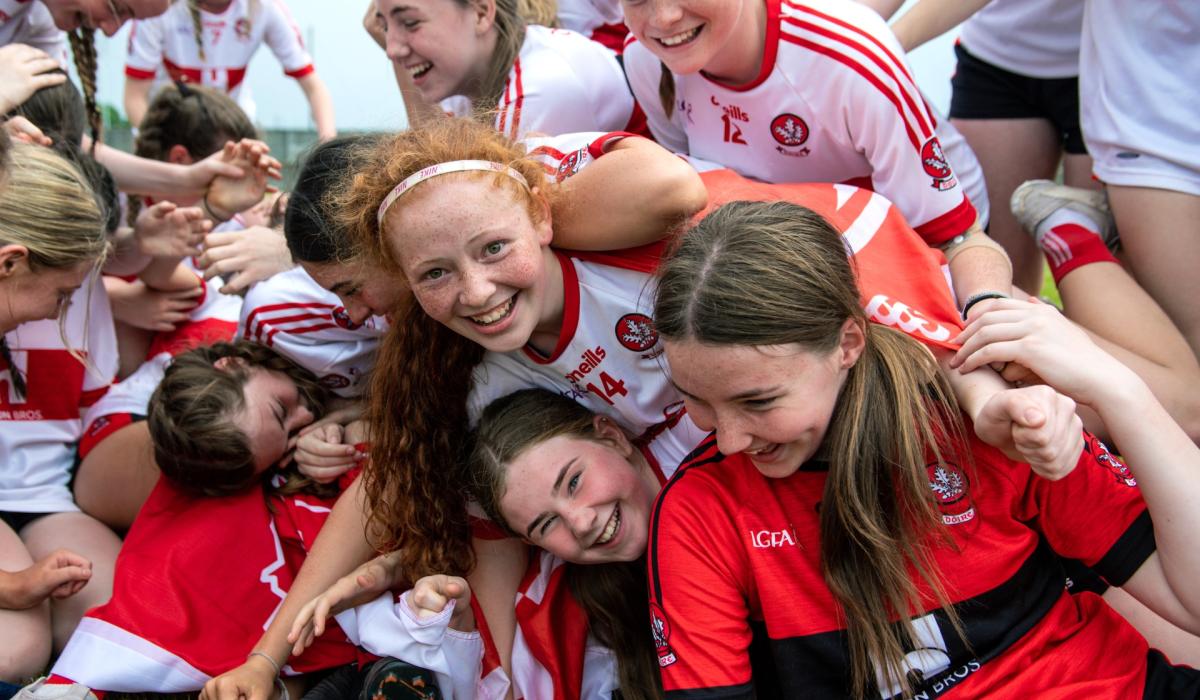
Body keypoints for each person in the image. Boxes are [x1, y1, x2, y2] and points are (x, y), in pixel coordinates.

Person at [647, 198, 1200, 697]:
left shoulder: (993, 426)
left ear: (847, 344)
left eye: (760, 402)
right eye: (696, 400)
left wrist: (1120, 392)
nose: (728, 438)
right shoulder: (703, 509)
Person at [620, 0, 1011, 318]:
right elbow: (695, 191)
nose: (664, 17)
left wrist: (987, 309)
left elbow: (955, 236)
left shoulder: (847, 55)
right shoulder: (646, 57)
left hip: (915, 234)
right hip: (792, 251)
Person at [43, 340, 363, 696]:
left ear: (232, 364)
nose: (304, 417)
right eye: (288, 437)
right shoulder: (230, 459)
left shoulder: (278, 322)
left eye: (280, 409)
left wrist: (347, 419)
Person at [0, 141, 119, 682]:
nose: (61, 310)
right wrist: (14, 587)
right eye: (62, 294)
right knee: (13, 652)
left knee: (110, 620)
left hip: (45, 498)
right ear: (11, 262)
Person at [889, 0, 1096, 294]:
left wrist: (873, 46)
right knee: (998, 272)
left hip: (1114, 65)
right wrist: (847, 37)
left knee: (1100, 263)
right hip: (998, 57)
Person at [1077, 1, 1200, 362]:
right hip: (1158, 141)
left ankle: (1066, 230)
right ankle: (1068, 235)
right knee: (1189, 352)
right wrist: (899, 45)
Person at [371, 0, 641, 140]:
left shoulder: (544, 84)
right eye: (385, 27)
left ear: (480, 13)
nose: (391, 50)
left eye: (410, 22)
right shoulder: (461, 83)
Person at [123, 0, 336, 140]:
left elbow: (314, 88)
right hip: (169, 137)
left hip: (231, 138)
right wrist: (160, 151)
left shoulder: (264, 8)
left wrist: (329, 154)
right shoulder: (160, 8)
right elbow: (134, 98)